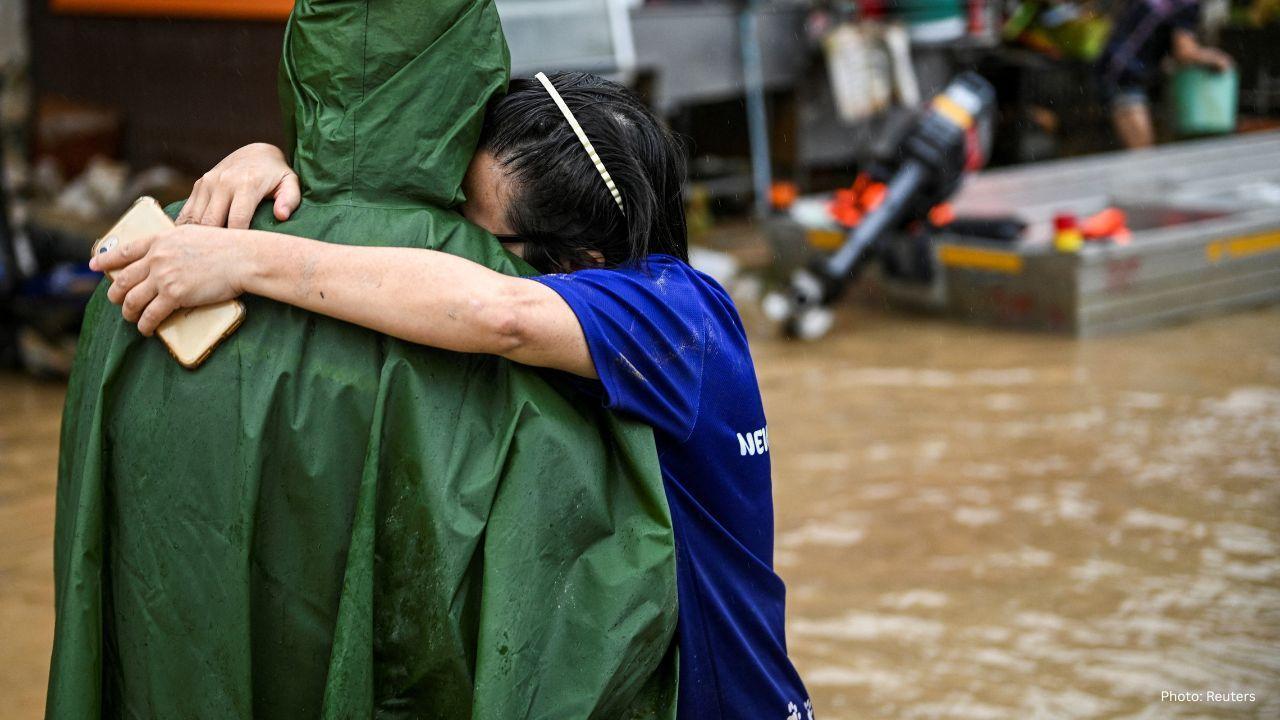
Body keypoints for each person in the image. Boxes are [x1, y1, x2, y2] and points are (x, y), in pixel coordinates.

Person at [92, 71, 814, 719]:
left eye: (466, 229)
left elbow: (493, 313)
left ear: (579, 264)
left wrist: (245, 260)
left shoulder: (678, 316)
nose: (441, 241)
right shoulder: (608, 311)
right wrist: (273, 167)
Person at [1097, 0, 1233, 148]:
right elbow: (1185, 51)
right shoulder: (1187, 5)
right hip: (1124, 74)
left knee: (1142, 150)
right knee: (1141, 153)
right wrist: (1218, 59)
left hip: (1115, 65)